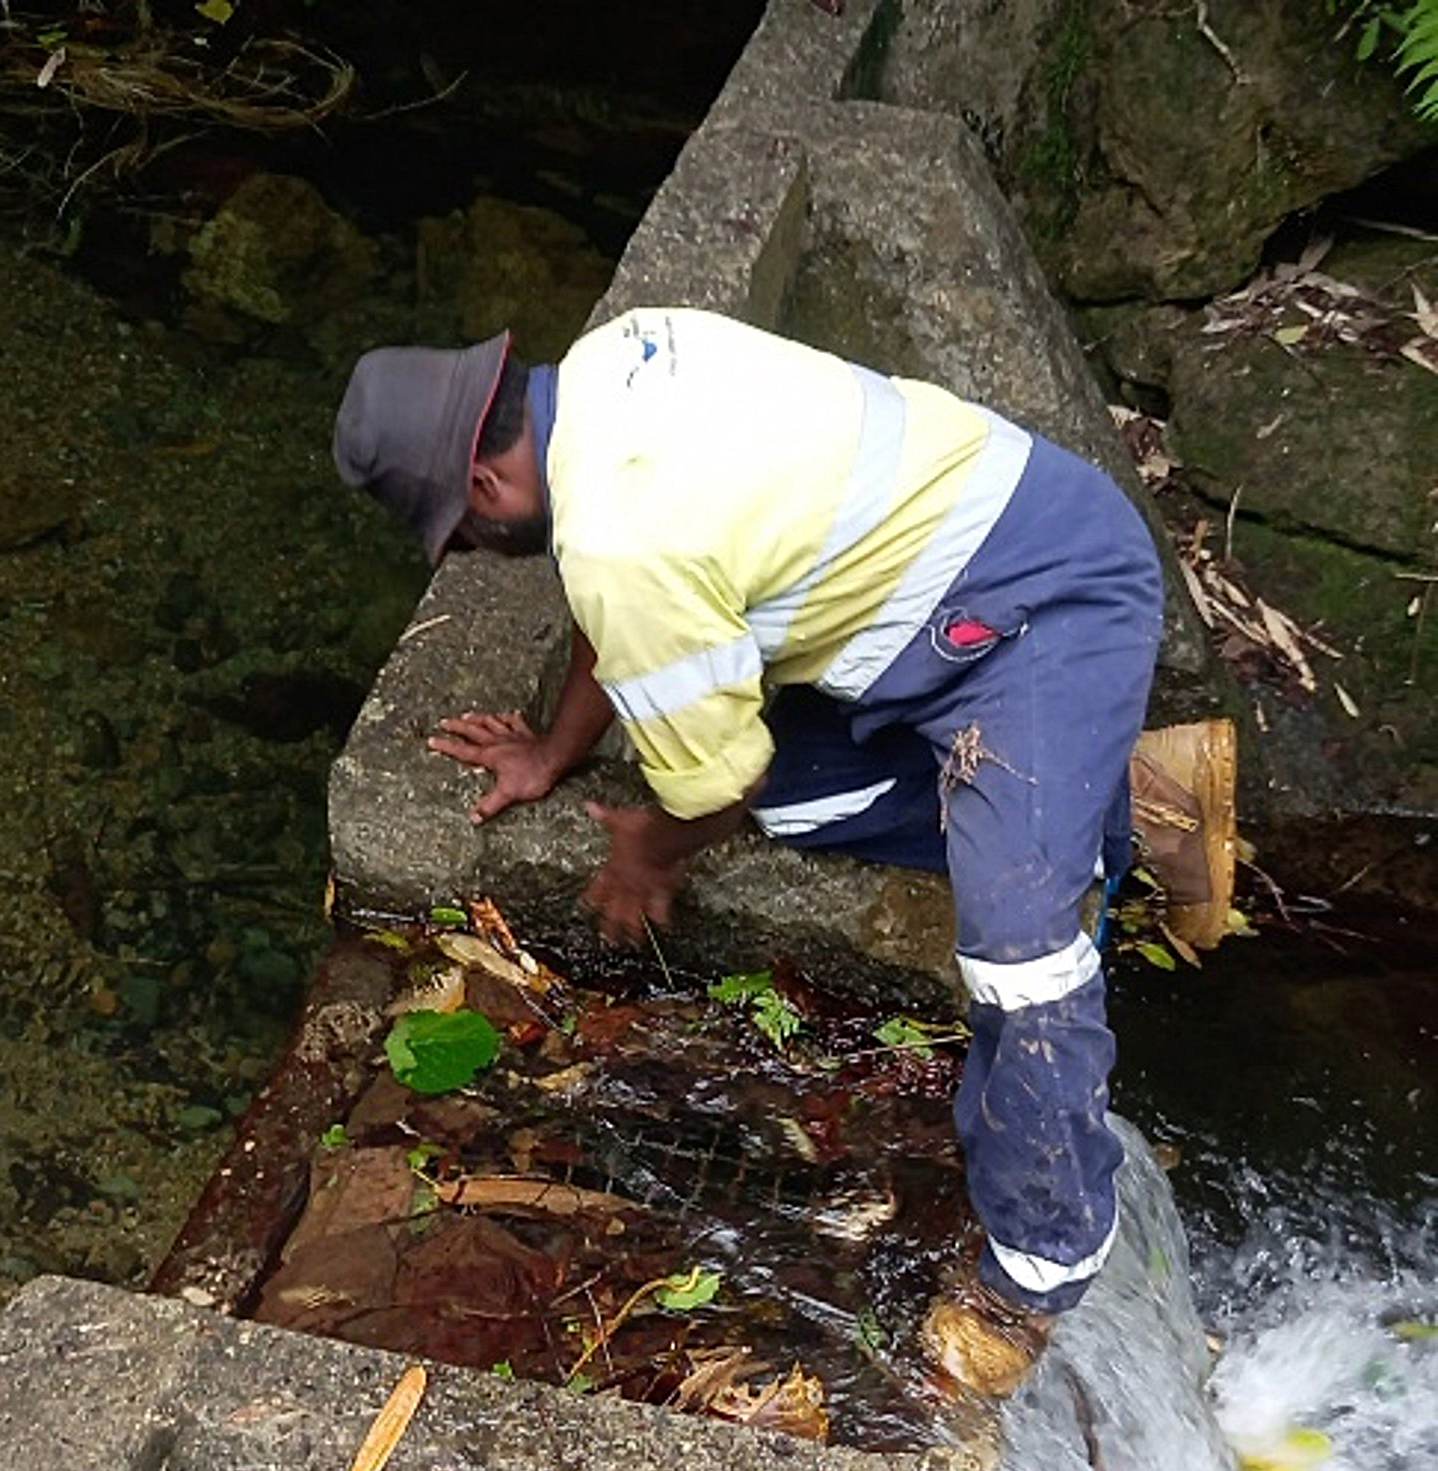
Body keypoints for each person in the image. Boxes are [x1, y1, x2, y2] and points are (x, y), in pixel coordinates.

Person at [333, 307, 1225, 1398]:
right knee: (804, 805)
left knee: (1015, 945)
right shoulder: (612, 370)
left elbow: (712, 774)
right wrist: (556, 750)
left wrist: (647, 856)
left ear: (480, 489)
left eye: (461, 537)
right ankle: (1137, 791)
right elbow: (619, 613)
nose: (474, 552)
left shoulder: (619, 538)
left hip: (1049, 596)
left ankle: (1041, 1260)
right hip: (933, 605)